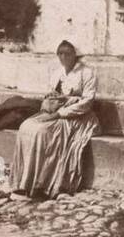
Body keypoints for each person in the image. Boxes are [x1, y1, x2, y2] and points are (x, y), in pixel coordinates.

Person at [9, 41, 99, 199]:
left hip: (77, 116)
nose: (63, 57)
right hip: (56, 111)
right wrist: (51, 100)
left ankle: (41, 183)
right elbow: (51, 93)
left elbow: (87, 103)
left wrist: (60, 113)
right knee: (26, 126)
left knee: (42, 132)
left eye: (67, 53)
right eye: (60, 53)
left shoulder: (87, 73)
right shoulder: (58, 72)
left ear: (75, 54)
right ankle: (23, 181)